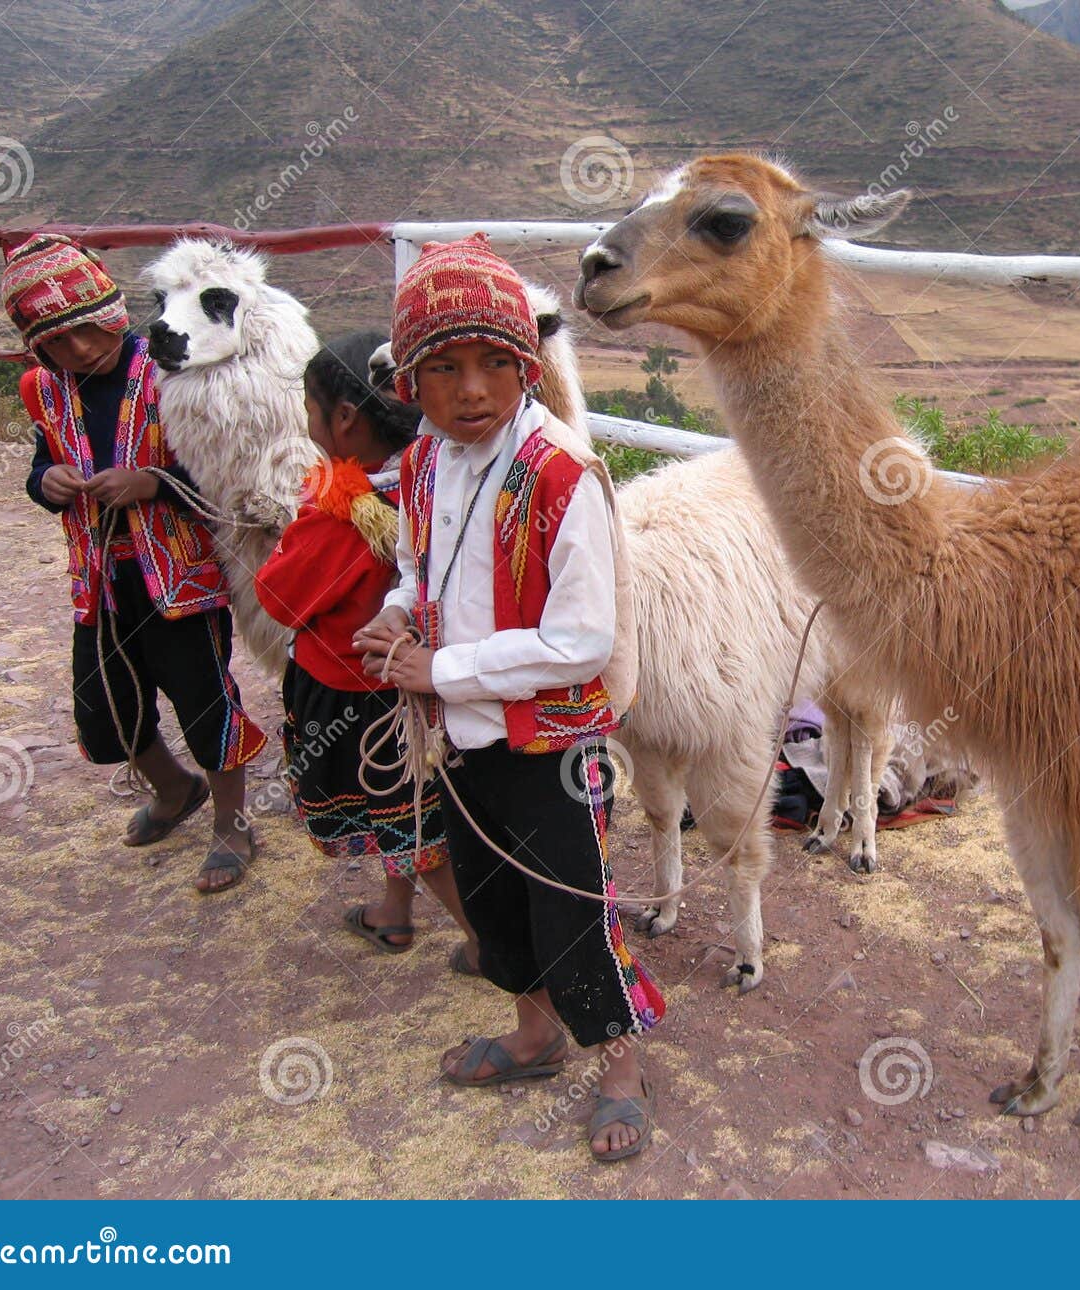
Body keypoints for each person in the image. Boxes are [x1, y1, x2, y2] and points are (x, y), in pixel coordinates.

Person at [353, 234, 661, 1161]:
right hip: (465, 737)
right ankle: (534, 1036)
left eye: (494, 363)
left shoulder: (562, 475)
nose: (472, 390)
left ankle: (620, 1069)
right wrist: (398, 615)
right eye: (443, 368)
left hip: (551, 747)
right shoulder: (420, 466)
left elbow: (582, 641)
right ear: (410, 380)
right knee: (493, 897)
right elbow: (421, 567)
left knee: (570, 901)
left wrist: (437, 671)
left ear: (527, 365)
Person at [9, 233, 266, 893]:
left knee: (205, 700)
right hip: (100, 576)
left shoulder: (171, 364)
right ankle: (174, 788)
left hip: (179, 574)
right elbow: (41, 463)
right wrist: (50, 482)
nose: (78, 350)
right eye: (57, 342)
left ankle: (233, 825)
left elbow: (221, 468)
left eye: (87, 332)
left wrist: (154, 482)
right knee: (103, 709)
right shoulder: (44, 389)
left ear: (113, 311)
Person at [253, 333, 476, 963]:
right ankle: (394, 911)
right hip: (417, 687)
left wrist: (295, 532)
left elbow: (279, 599)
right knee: (408, 813)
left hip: (353, 699)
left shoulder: (345, 512)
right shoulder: (426, 483)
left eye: (310, 406)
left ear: (344, 418)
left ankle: (486, 941)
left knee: (409, 826)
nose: (306, 420)